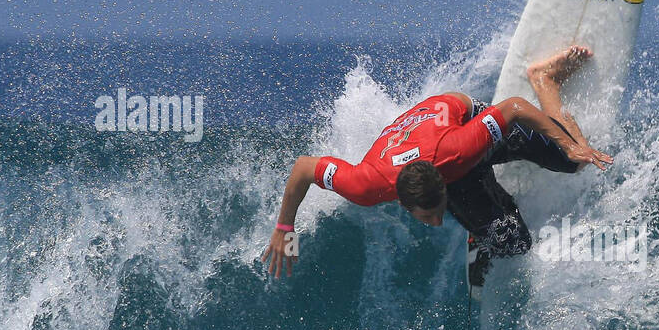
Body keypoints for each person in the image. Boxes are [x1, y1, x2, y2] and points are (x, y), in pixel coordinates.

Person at [261, 45, 612, 288]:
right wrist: (284, 227)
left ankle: (545, 78)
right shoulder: (364, 185)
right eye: (428, 215)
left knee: (570, 162)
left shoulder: (458, 151)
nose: (437, 221)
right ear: (402, 202)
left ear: (442, 187)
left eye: (437, 211)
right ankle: (483, 223)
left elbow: (515, 107)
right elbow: (304, 168)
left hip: (460, 121)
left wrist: (571, 144)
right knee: (515, 243)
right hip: (429, 147)